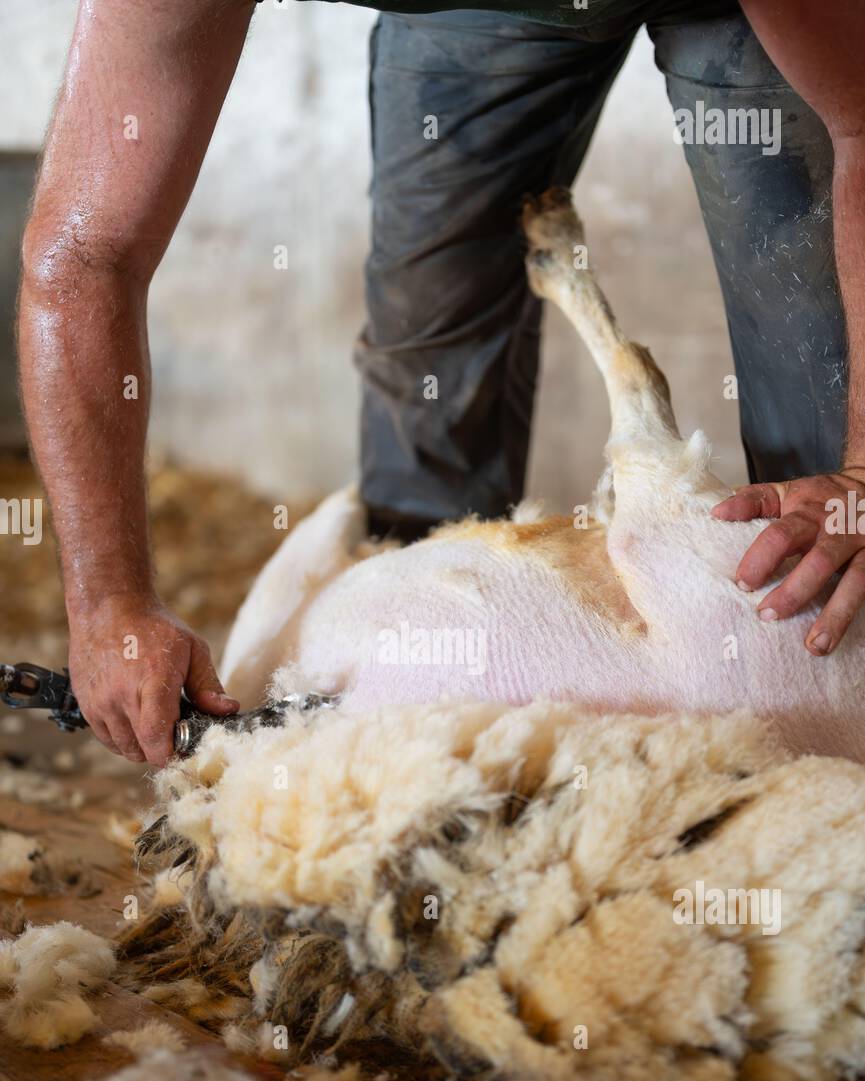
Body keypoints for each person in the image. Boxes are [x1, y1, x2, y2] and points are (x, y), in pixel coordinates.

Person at [17, 0, 865, 765]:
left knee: (818, 437)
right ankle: (415, 695)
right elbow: (84, 255)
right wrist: (109, 603)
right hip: (467, 12)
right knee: (429, 357)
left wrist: (859, 472)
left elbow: (862, 128)